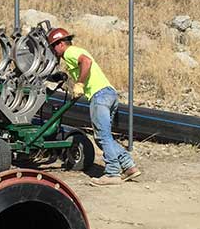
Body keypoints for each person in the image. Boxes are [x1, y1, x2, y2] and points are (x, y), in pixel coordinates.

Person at [46, 27, 141, 185]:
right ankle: (129, 166)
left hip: (100, 96)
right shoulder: (76, 52)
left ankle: (112, 173)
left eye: (53, 46)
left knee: (102, 137)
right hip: (109, 94)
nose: (53, 50)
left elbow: (86, 62)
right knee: (104, 137)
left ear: (60, 44)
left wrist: (80, 83)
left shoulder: (70, 52)